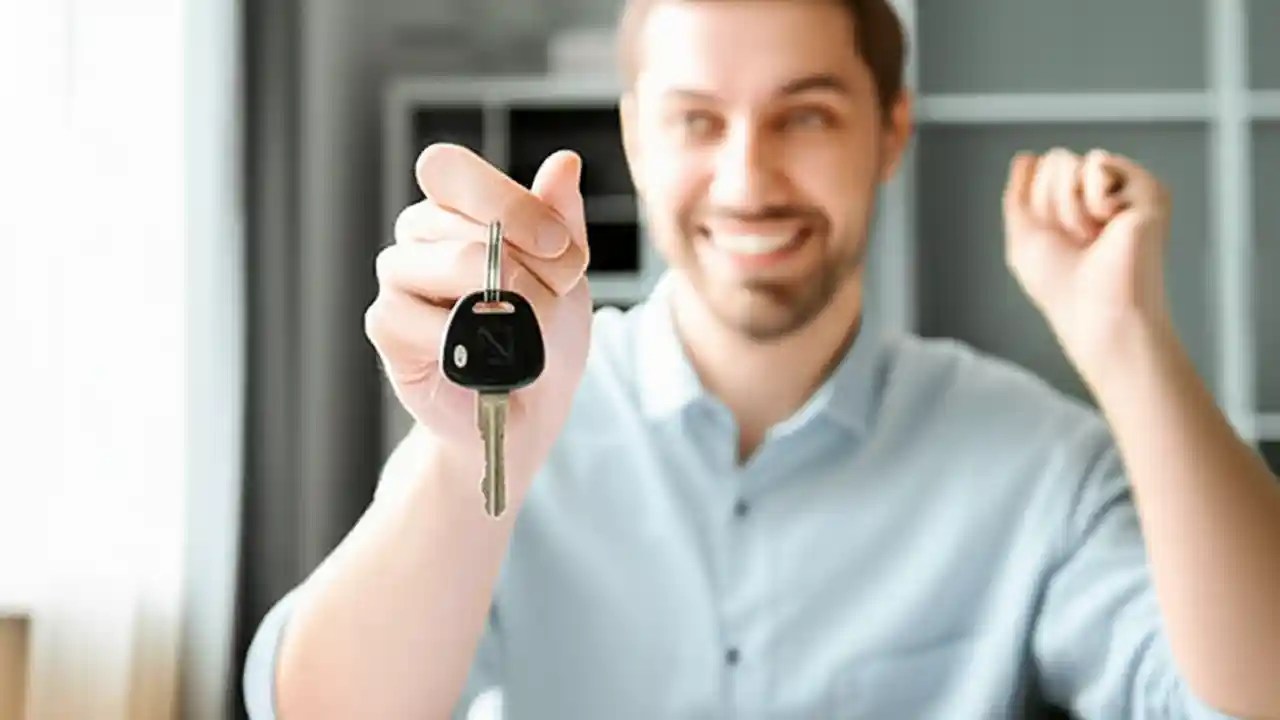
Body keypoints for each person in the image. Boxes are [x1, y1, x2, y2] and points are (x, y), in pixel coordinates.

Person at [242, 1, 1280, 717]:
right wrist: (474, 451)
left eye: (806, 115)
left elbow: (1248, 695)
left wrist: (1128, 342)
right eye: (697, 120)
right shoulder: (508, 432)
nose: (748, 180)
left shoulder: (1037, 465)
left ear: (888, 132)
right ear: (637, 139)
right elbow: (316, 709)